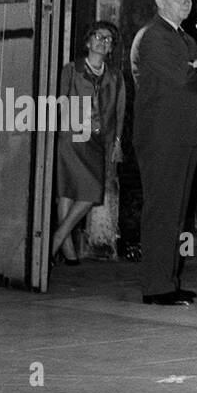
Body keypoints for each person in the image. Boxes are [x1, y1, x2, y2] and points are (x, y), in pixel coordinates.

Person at [129, 0, 197, 305]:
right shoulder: (154, 36)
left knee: (177, 213)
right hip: (163, 137)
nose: (186, 1)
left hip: (186, 135)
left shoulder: (183, 38)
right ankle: (156, 286)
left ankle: (168, 279)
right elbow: (185, 77)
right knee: (163, 211)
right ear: (159, 0)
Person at [51, 21, 125, 266]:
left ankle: (57, 240)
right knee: (67, 190)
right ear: (87, 41)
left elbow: (119, 112)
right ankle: (67, 250)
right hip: (72, 135)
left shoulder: (115, 76)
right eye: (98, 36)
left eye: (108, 39)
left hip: (97, 139)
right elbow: (61, 100)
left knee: (92, 190)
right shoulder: (71, 69)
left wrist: (116, 141)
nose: (102, 41)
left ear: (111, 48)